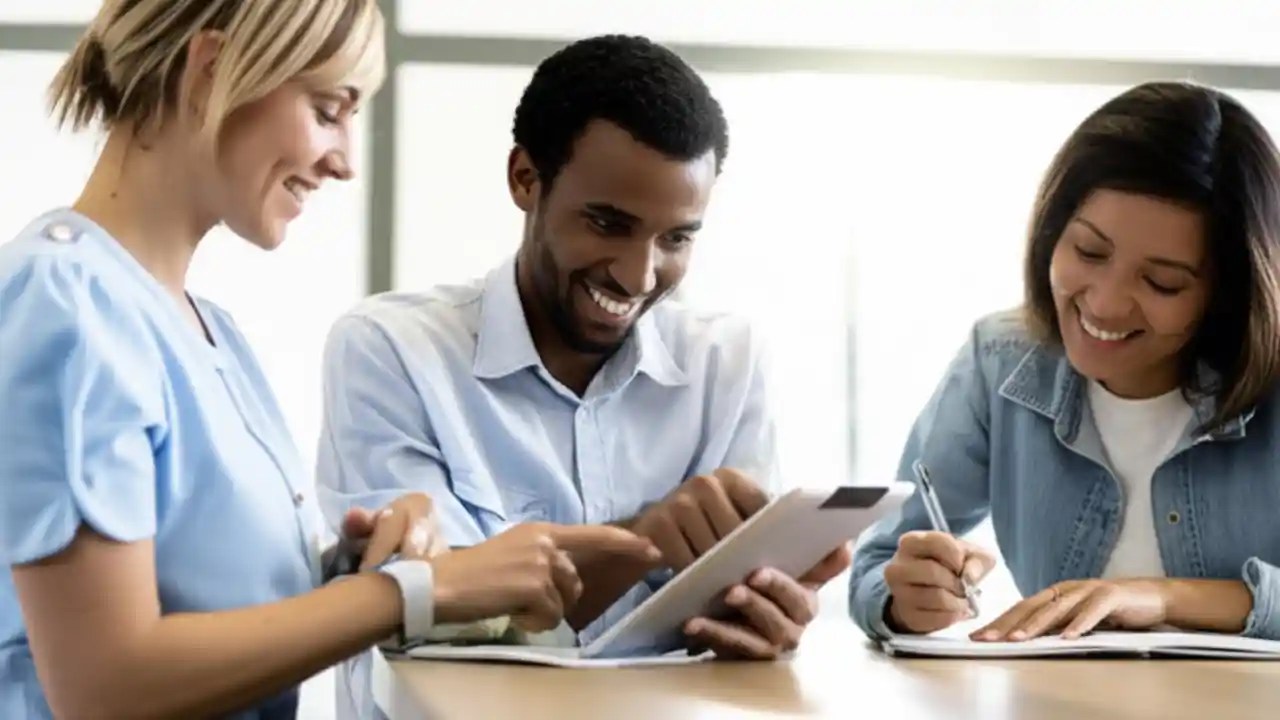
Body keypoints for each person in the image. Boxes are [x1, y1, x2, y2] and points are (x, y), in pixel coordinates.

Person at [0, 3, 656, 718]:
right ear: (212, 70)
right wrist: (417, 592)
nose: (343, 159)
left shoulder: (205, 330)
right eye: (327, 109)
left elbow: (202, 602)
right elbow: (104, 686)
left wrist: (365, 565)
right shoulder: (66, 303)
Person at [317, 33, 851, 718]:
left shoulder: (726, 362)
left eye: (677, 238)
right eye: (607, 223)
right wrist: (646, 542)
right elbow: (438, 614)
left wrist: (764, 616)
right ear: (524, 179)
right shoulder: (390, 352)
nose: (640, 274)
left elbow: (730, 618)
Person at [849, 81, 1280, 644]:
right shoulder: (1000, 362)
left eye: (1162, 282)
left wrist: (1158, 597)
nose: (1103, 303)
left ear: (1228, 293)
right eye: (1088, 252)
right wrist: (910, 599)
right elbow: (877, 567)